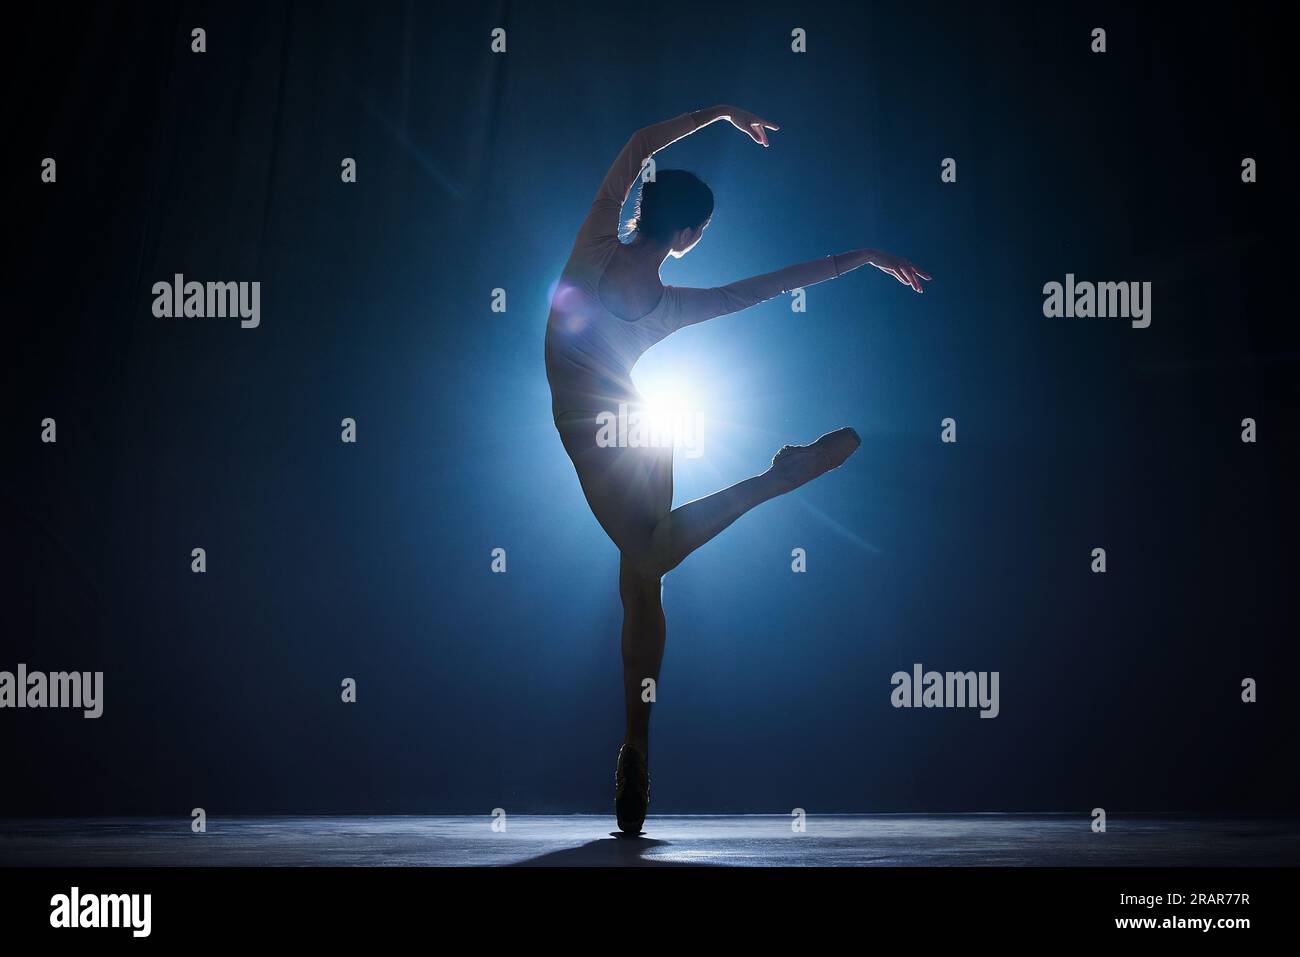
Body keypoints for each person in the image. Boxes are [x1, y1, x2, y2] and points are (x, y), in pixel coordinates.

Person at [543, 105, 930, 834]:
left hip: (602, 436)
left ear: (650, 208)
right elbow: (769, 284)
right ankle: (637, 746)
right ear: (689, 236)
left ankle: (772, 481)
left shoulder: (591, 248)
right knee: (646, 575)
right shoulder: (672, 305)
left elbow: (634, 146)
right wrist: (865, 257)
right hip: (644, 433)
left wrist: (716, 113)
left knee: (649, 561)